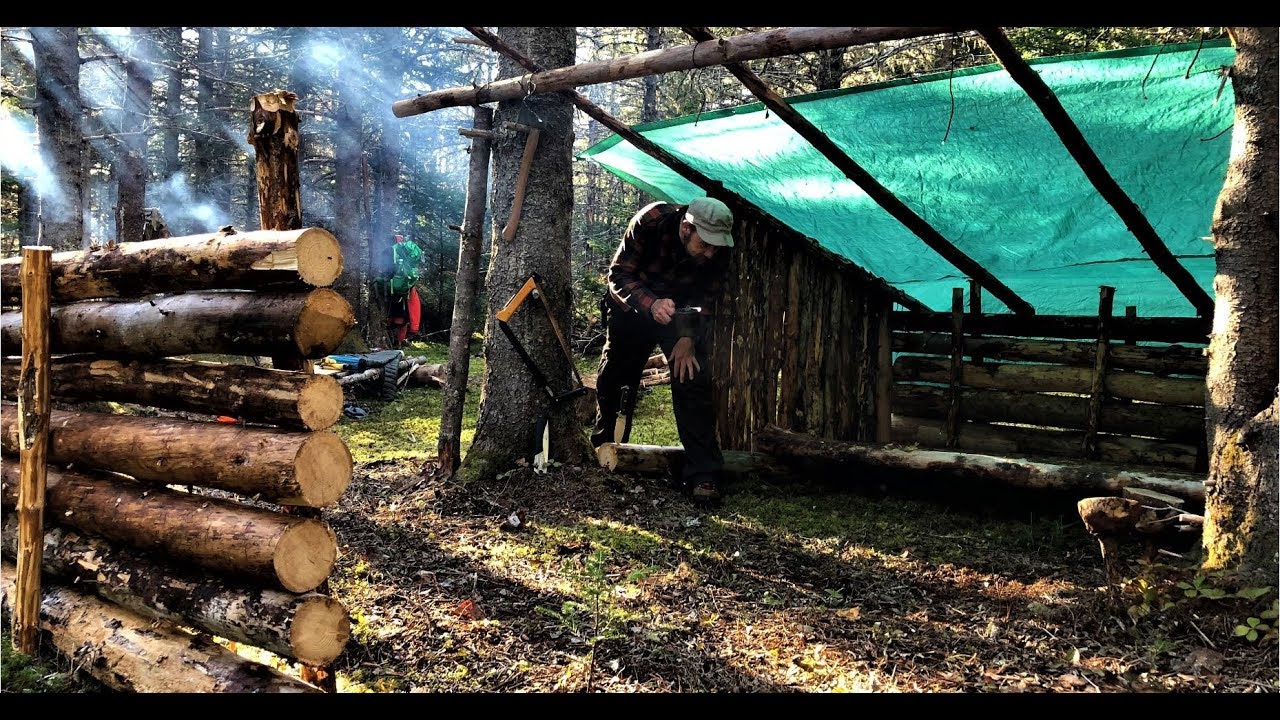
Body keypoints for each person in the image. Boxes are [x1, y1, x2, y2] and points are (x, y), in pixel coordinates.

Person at [590, 196, 734, 503]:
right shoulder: (650, 221)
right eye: (704, 245)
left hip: (680, 314)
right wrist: (650, 304)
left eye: (715, 248)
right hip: (632, 306)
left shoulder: (716, 248)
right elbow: (618, 275)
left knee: (692, 377)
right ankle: (606, 449)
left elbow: (708, 297)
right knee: (619, 376)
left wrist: (687, 338)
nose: (710, 253)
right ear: (685, 228)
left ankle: (703, 474)